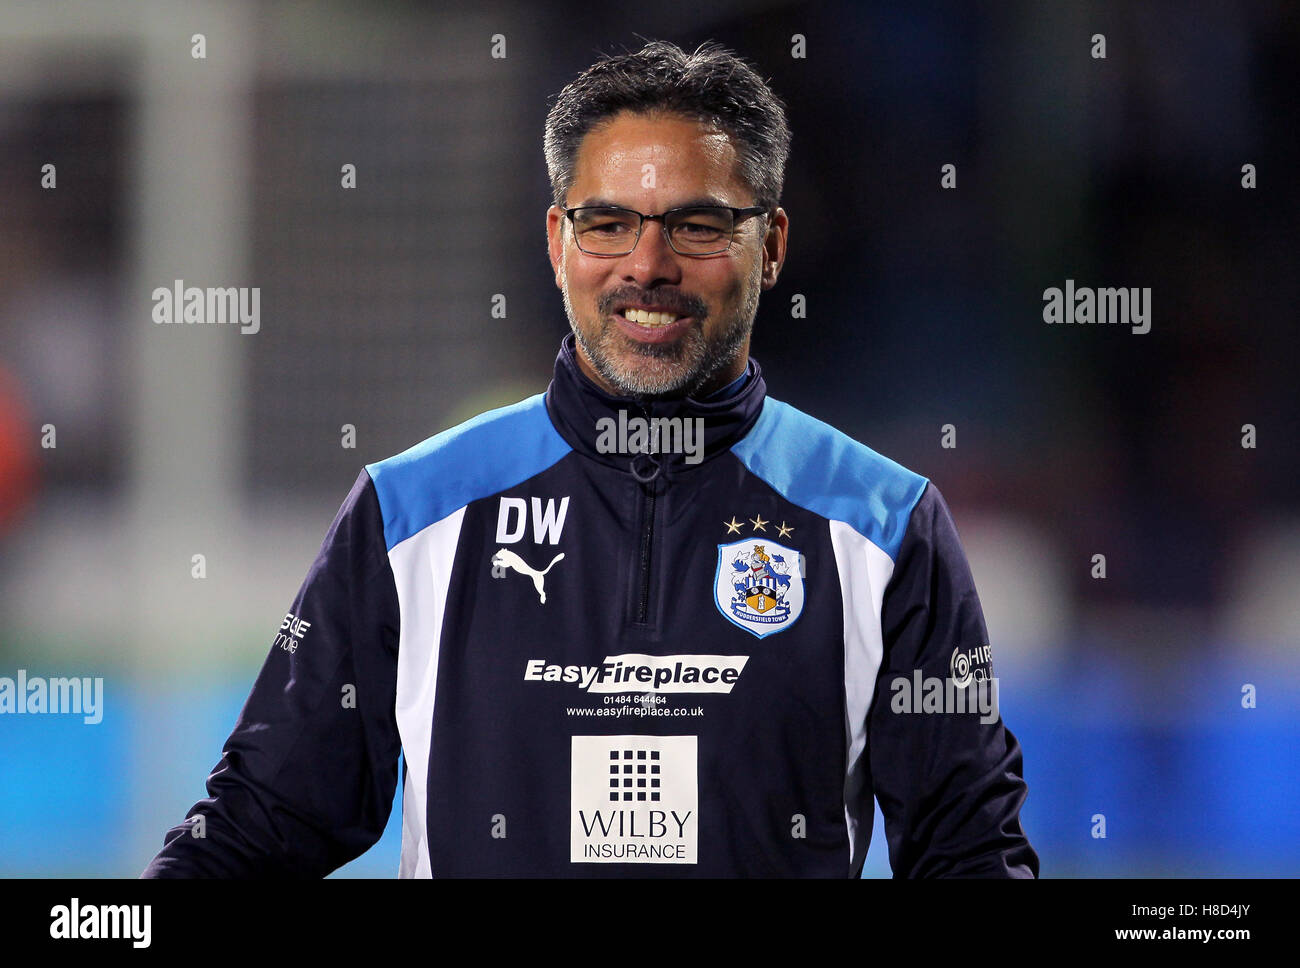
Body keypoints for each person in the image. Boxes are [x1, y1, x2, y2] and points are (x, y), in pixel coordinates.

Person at [142, 40, 1038, 878]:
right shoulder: (408, 510)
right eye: (607, 222)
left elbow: (970, 853)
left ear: (771, 249)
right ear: (557, 241)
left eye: (697, 226)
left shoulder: (886, 525)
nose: (647, 265)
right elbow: (261, 821)